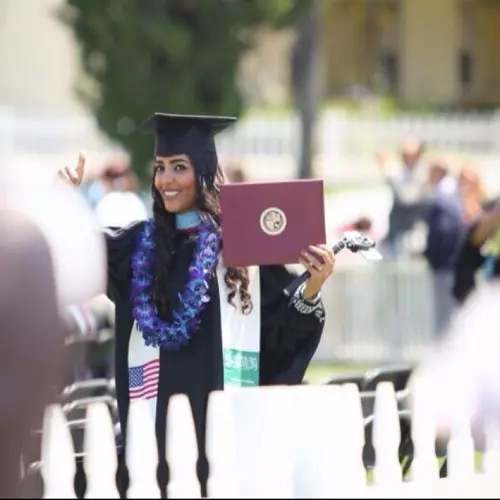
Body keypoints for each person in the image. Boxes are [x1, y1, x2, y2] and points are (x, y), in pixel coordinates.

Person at [59, 113, 335, 497]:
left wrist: (312, 285)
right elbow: (77, 254)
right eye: (159, 168)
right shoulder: (139, 247)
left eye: (179, 167)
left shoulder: (242, 249)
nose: (166, 180)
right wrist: (64, 206)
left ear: (204, 172)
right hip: (155, 443)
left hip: (223, 436)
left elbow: (281, 333)